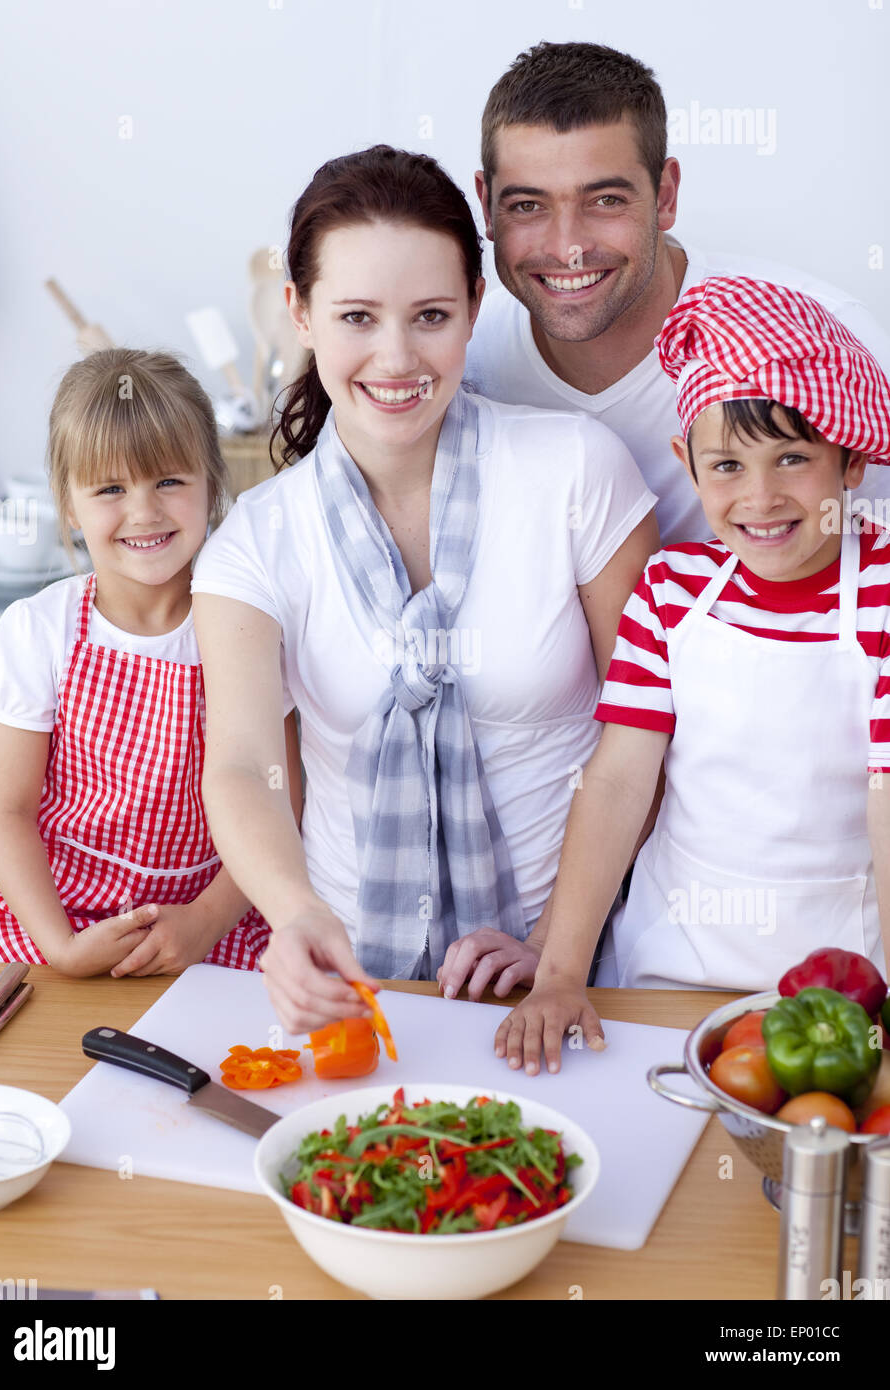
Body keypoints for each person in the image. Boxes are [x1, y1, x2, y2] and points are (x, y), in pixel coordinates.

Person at [190, 145, 659, 1035]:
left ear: (476, 309)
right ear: (299, 312)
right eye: (358, 316)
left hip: (572, 965)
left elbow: (644, 737)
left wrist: (556, 947)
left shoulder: (577, 470)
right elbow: (246, 766)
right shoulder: (254, 541)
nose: (396, 357)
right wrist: (297, 917)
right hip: (354, 973)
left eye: (431, 315)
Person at [489, 276, 890, 1075]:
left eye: (793, 459)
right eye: (728, 465)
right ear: (688, 463)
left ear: (849, 465)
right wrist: (562, 969)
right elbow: (616, 785)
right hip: (668, 973)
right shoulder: (672, 591)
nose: (762, 496)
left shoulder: (880, 596)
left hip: (844, 994)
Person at [465, 40, 890, 547]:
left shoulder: (820, 343)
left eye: (605, 200)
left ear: (665, 197)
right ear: (487, 207)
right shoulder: (460, 360)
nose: (568, 248)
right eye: (529, 205)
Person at [0, 349, 274, 975]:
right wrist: (61, 948)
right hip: (53, 909)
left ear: (212, 482)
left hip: (210, 912)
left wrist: (207, 922)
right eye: (110, 488)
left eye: (168, 480)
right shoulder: (39, 630)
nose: (144, 512)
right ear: (69, 506)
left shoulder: (250, 626)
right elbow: (7, 811)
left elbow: (280, 801)